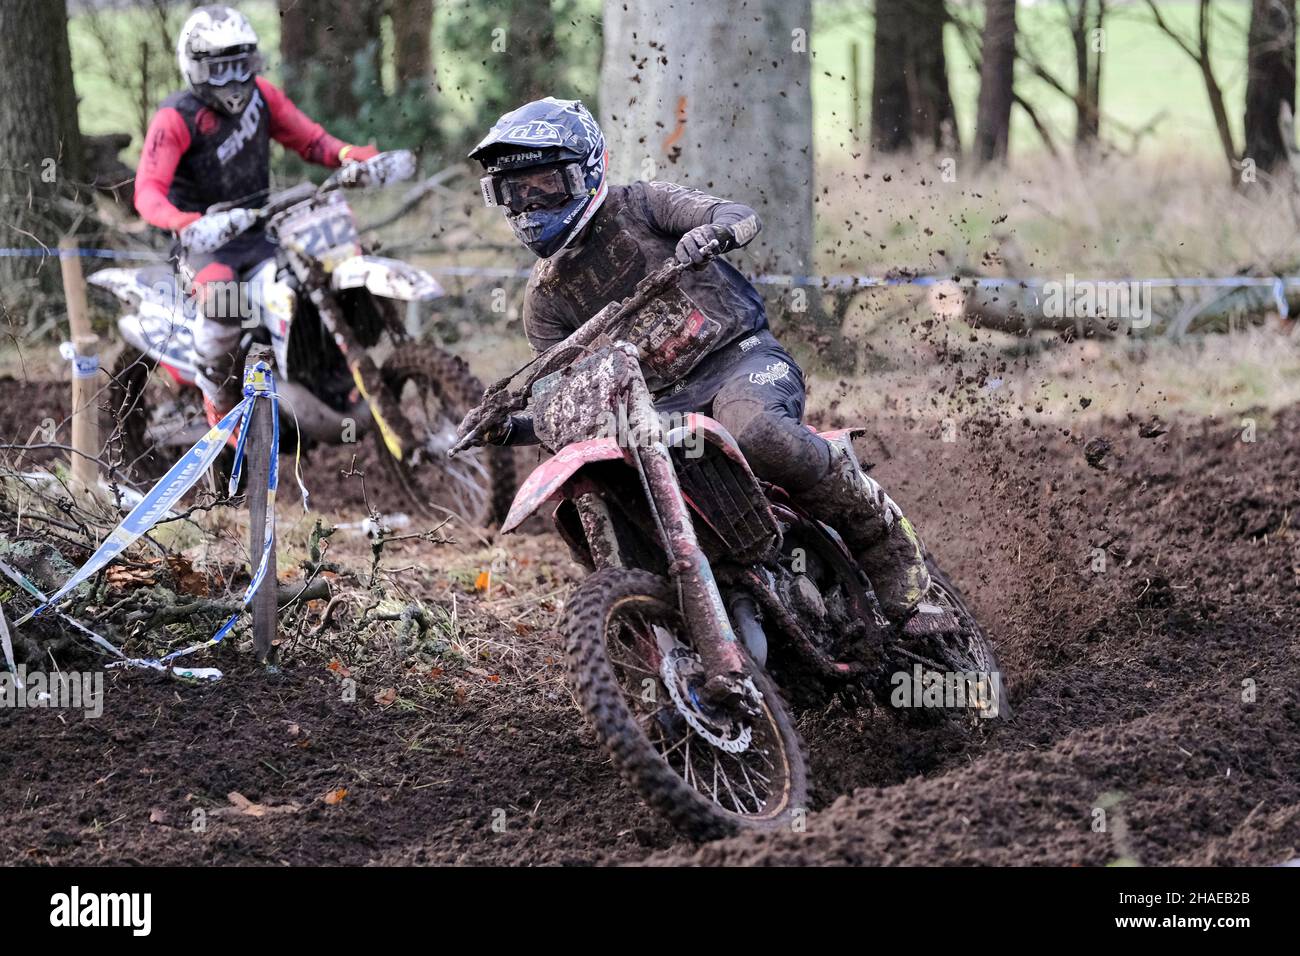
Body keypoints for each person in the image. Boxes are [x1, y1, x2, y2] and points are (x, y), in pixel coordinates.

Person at [467, 97, 931, 626]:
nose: (530, 205)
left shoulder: (641, 205)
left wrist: (709, 233)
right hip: (658, 410)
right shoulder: (545, 299)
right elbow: (567, 402)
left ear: (586, 171)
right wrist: (510, 428)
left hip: (739, 360)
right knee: (612, 494)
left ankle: (881, 535)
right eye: (513, 192)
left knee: (757, 433)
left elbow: (737, 214)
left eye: (543, 186)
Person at [133, 4, 378, 427]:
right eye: (220, 69)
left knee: (316, 277)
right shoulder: (175, 117)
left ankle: (324, 377)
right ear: (194, 67)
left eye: (240, 65)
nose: (233, 80)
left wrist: (346, 155)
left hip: (260, 234)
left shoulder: (262, 97)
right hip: (201, 246)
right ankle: (220, 408)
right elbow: (147, 192)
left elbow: (310, 139)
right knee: (228, 304)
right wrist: (185, 222)